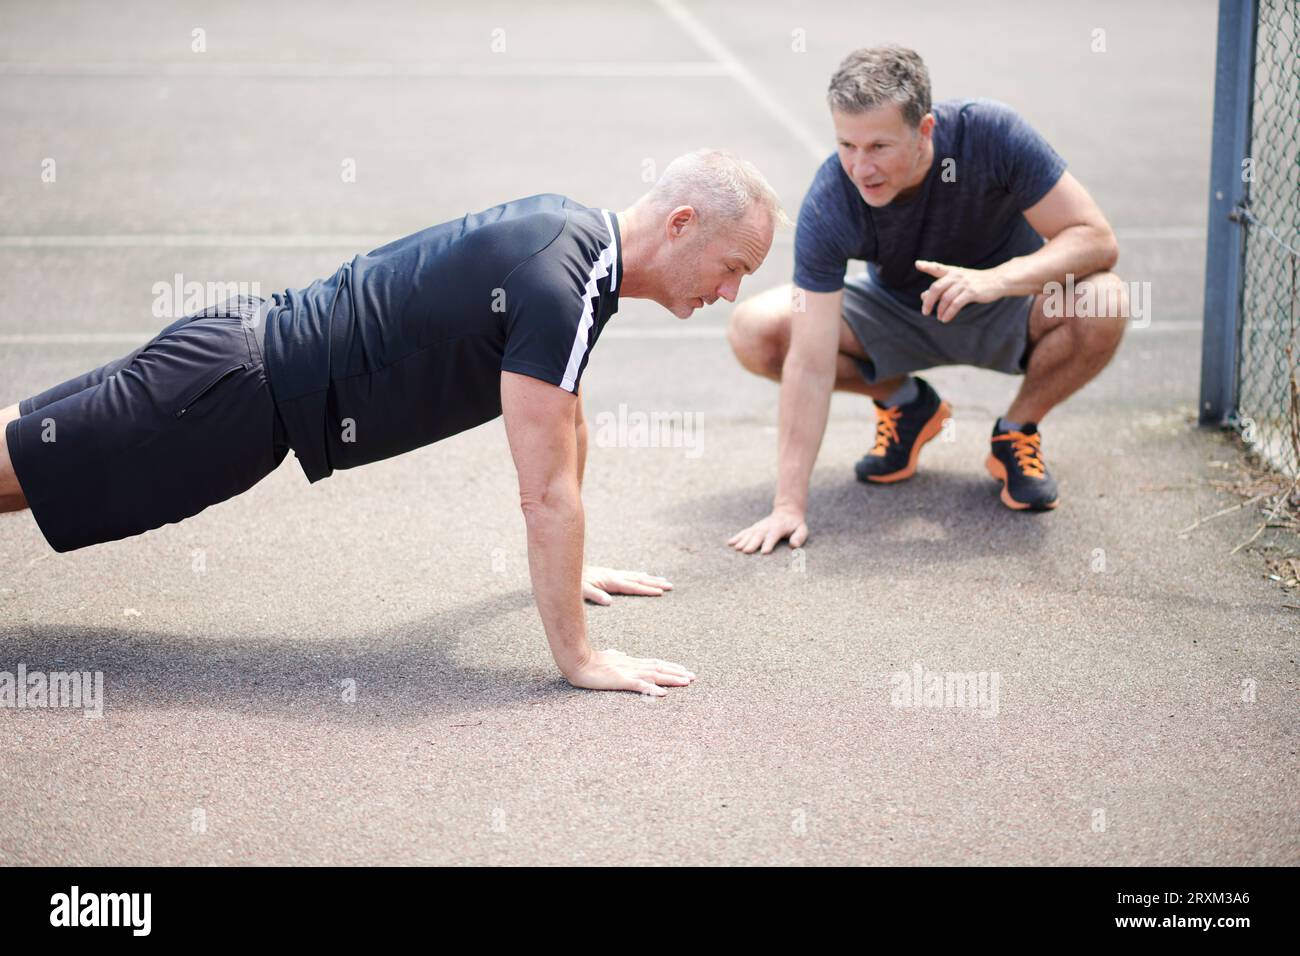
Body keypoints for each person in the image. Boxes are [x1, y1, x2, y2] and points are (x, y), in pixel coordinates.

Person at [0, 149, 784, 695]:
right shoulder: (562, 286)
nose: (729, 295)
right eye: (732, 268)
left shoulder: (573, 243)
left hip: (229, 363)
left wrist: (568, 570)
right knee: (18, 473)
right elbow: (544, 494)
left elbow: (567, 419)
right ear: (680, 223)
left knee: (21, 457)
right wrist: (579, 655)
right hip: (225, 402)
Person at [727, 45, 1129, 555]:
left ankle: (1016, 433)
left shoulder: (991, 134)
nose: (860, 166)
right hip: (897, 313)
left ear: (925, 132)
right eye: (847, 144)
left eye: (878, 146)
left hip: (1011, 302)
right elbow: (808, 361)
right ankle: (908, 406)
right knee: (757, 330)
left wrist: (998, 280)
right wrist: (788, 505)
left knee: (1106, 299)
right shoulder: (833, 197)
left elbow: (1096, 238)